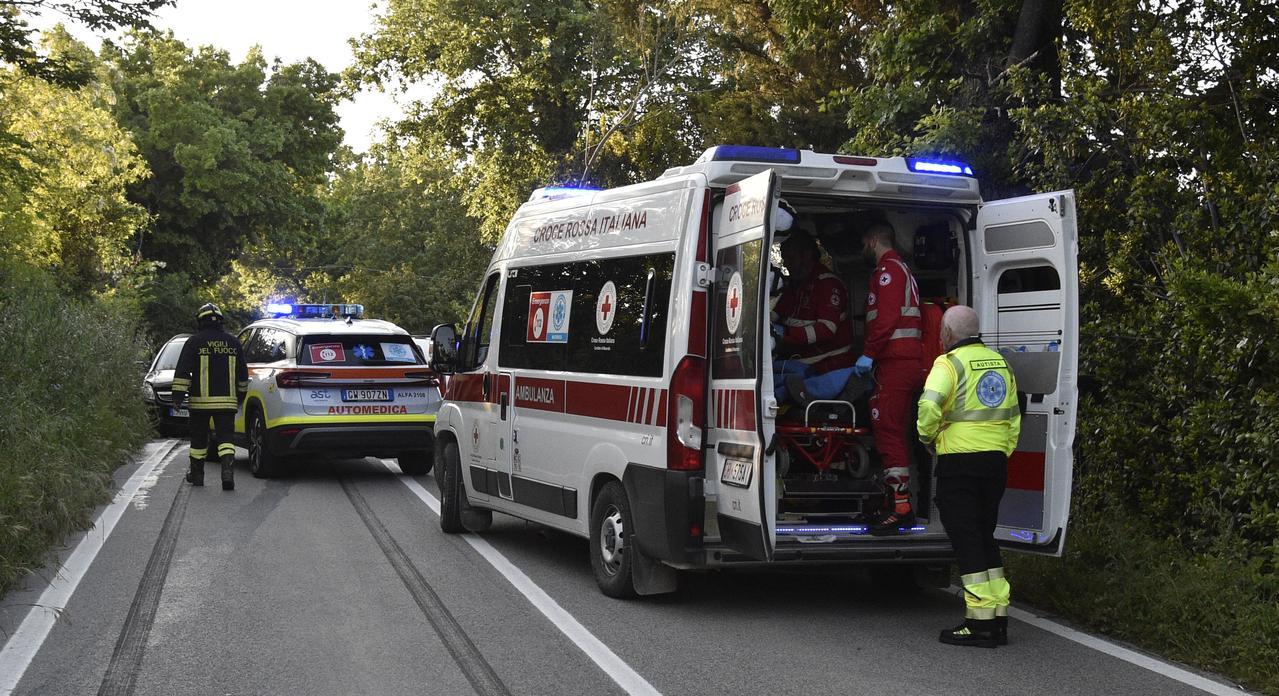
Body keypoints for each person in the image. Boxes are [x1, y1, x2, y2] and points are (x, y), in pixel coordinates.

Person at [917, 305, 1021, 648]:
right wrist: (1002, 450)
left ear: (946, 334)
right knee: (984, 535)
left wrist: (926, 437)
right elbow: (1013, 415)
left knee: (966, 540)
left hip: (960, 463)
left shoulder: (948, 364)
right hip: (994, 462)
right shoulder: (1000, 362)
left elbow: (929, 406)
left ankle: (979, 625)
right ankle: (997, 616)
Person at [854, 222, 924, 531]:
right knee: (892, 430)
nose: (864, 248)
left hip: (895, 363)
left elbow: (886, 319)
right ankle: (893, 501)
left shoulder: (889, 271)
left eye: (864, 242)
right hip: (897, 362)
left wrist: (869, 352)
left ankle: (901, 507)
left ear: (872, 239)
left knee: (889, 431)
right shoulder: (898, 269)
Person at [770, 231, 855, 404]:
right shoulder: (794, 286)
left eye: (791, 258)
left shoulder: (828, 284)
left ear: (807, 255)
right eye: (784, 259)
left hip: (825, 366)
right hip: (798, 365)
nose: (787, 264)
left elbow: (826, 330)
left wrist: (784, 335)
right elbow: (776, 315)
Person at [171, 303, 249, 490]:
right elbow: (242, 374)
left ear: (200, 321)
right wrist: (240, 395)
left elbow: (182, 372)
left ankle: (197, 476)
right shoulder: (233, 342)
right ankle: (227, 474)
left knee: (198, 441)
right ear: (220, 321)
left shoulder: (194, 342)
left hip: (199, 404)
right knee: (226, 440)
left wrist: (178, 397)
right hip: (227, 403)